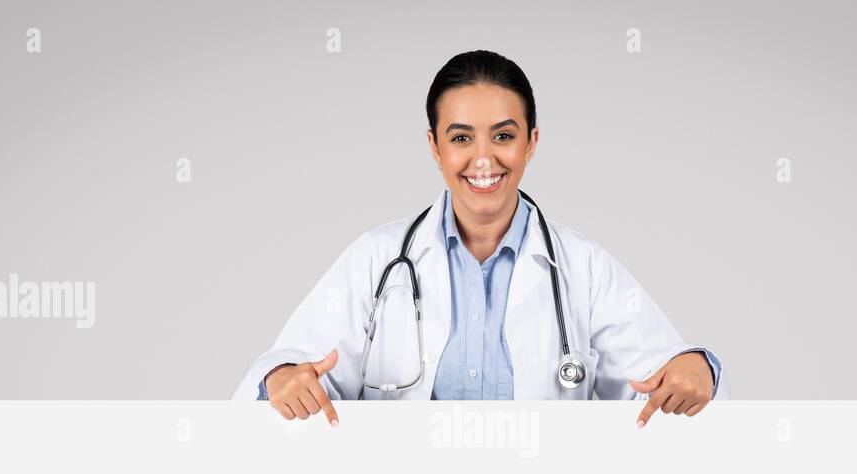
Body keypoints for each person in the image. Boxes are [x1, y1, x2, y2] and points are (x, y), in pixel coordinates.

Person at [233, 50, 727, 428]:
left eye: (504, 136)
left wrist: (695, 369)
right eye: (462, 137)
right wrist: (281, 378)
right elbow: (291, 368)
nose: (484, 160)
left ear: (532, 142)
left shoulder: (583, 267)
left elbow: (666, 380)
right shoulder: (376, 259)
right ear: (435, 146)